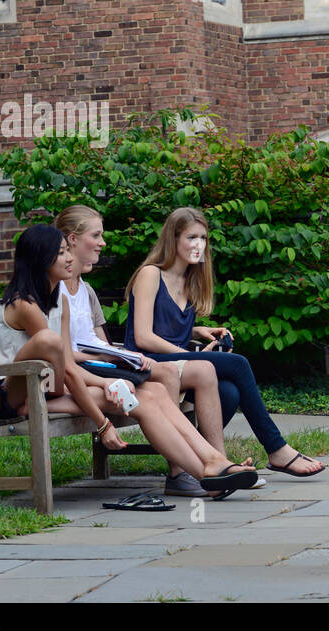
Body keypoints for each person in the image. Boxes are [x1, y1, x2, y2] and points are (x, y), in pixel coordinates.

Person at [0, 224, 258, 495]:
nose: (69, 258)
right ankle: (209, 468)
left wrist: (107, 383)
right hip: (4, 395)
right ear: (41, 258)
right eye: (62, 252)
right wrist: (103, 421)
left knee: (153, 393)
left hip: (47, 389)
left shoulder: (58, 301)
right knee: (51, 343)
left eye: (67, 251)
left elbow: (68, 369)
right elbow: (68, 370)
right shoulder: (24, 304)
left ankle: (211, 466)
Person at [123, 207, 325, 477]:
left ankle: (212, 463)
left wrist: (197, 330)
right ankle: (277, 450)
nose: (199, 245)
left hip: (176, 360)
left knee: (229, 392)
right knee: (238, 364)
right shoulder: (151, 274)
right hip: (148, 363)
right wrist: (186, 353)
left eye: (204, 238)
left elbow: (164, 322)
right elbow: (143, 336)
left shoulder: (190, 279)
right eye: (191, 238)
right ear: (173, 239)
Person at [54, 205, 234, 498]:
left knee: (166, 384)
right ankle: (192, 471)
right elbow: (61, 356)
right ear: (72, 240)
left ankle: (208, 466)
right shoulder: (52, 292)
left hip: (98, 371)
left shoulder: (85, 289)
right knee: (165, 380)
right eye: (96, 235)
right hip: (73, 379)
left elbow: (100, 343)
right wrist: (109, 370)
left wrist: (121, 356)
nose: (103, 242)